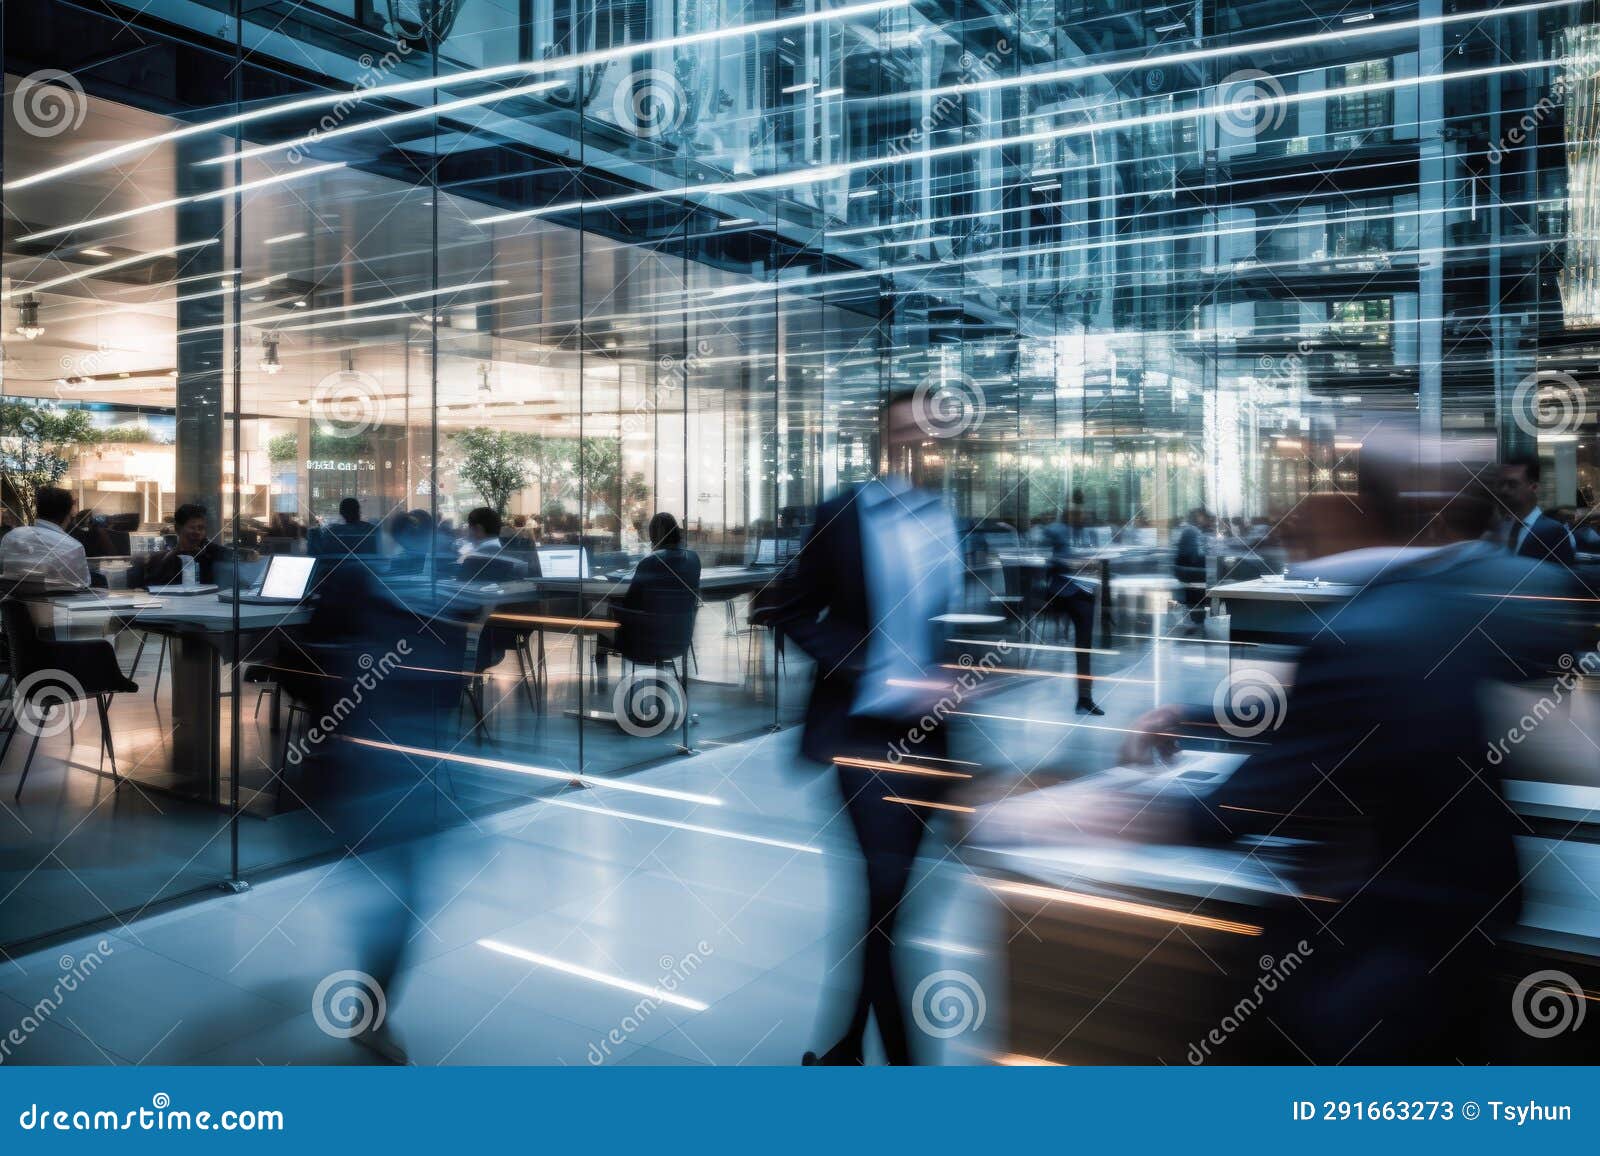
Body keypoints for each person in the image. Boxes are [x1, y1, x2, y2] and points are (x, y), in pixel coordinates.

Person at [1120, 446, 1583, 1062]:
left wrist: (1090, 817)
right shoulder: (1470, 591)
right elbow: (1338, 711)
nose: (1298, 513)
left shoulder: (1374, 625)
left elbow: (1237, 807)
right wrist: (1196, 716)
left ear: (1364, 509)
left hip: (1383, 945)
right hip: (1465, 916)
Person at [772, 391, 961, 1066]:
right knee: (886, 900)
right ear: (882, 437)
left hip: (934, 736)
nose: (916, 442)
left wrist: (963, 672)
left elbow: (949, 625)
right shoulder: (842, 515)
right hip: (864, 732)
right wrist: (866, 666)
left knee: (890, 907)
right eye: (903, 430)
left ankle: (848, 1048)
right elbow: (785, 607)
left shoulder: (947, 517)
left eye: (927, 431)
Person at [594, 513, 701, 687]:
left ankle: (601, 687)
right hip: (679, 637)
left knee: (603, 626)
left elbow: (631, 601)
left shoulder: (651, 562)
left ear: (653, 537)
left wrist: (613, 605)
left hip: (644, 639)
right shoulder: (693, 559)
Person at [1040, 505, 1103, 714]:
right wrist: (1069, 563)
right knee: (1082, 648)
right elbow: (1045, 557)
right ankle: (1084, 699)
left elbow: (1095, 559)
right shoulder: (1054, 530)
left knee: (1084, 648)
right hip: (1064, 593)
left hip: (1084, 592)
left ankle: (1085, 699)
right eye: (1078, 513)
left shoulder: (1088, 533)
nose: (1083, 516)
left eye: (1083, 513)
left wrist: (1086, 563)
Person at [0, 486, 90, 589]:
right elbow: (82, 584)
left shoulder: (11, 537)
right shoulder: (73, 547)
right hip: (58, 597)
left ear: (37, 510)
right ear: (68, 515)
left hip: (13, 597)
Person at [1496, 453, 1575, 566]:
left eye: (1512, 484)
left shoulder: (1554, 532)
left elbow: (1561, 574)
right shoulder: (1497, 527)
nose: (1504, 490)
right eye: (1501, 484)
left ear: (1534, 487)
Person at [145, 503, 222, 586]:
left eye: (201, 528)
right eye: (192, 527)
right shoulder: (160, 560)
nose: (197, 532)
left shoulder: (210, 559)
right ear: (178, 528)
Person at [1172, 506, 1213, 628]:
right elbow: (1195, 556)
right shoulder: (1192, 531)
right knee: (1216, 576)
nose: (1207, 520)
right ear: (1198, 517)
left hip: (1186, 570)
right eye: (1204, 517)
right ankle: (1199, 619)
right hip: (1189, 572)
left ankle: (1198, 618)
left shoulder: (1190, 530)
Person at [311, 497, 379, 556]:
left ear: (341, 513)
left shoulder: (332, 532)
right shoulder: (372, 530)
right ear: (358, 511)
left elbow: (322, 553)